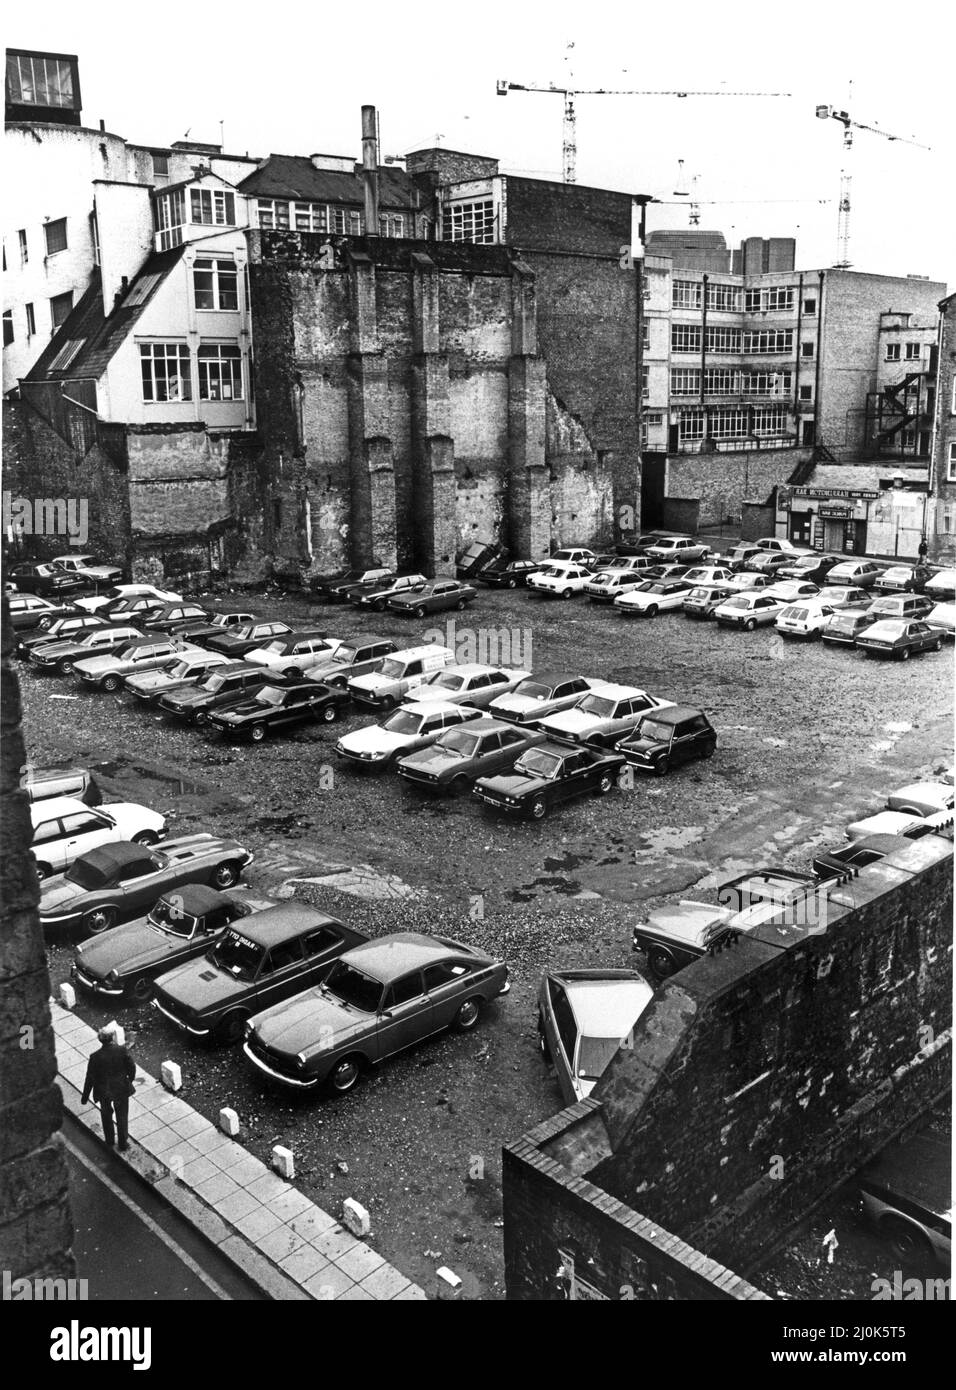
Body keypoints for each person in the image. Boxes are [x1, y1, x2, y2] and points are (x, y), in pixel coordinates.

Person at [81, 1028, 136, 1152]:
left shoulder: (95, 1057)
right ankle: (122, 1143)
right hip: (120, 1089)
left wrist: (85, 1097)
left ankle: (110, 1140)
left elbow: (89, 1077)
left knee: (106, 1116)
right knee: (122, 1116)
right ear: (112, 1037)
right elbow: (131, 1066)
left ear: (100, 1040)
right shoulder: (121, 1050)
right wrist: (129, 1080)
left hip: (103, 1091)